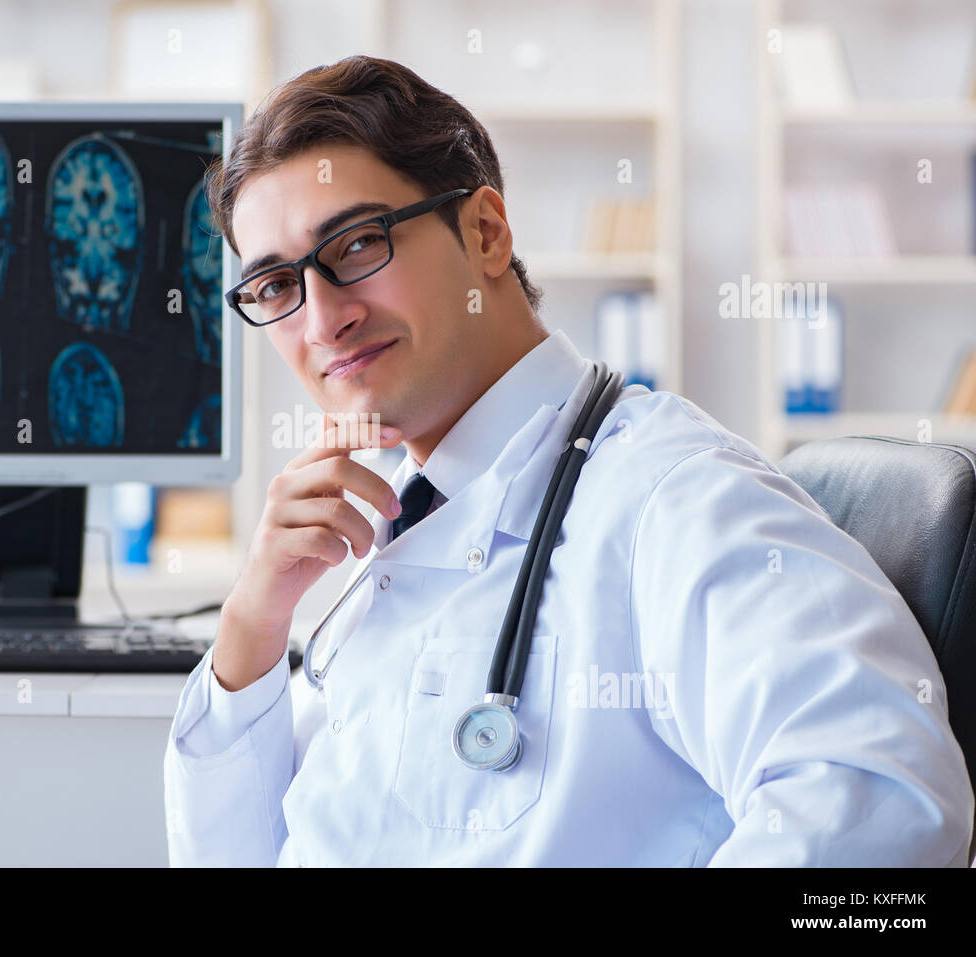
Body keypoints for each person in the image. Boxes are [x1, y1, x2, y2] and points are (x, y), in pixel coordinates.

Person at [162, 54, 974, 866]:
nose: (322, 318)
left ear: (484, 232)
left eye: (357, 243)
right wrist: (252, 626)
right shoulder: (390, 523)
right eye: (274, 286)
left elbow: (880, 800)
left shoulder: (674, 498)